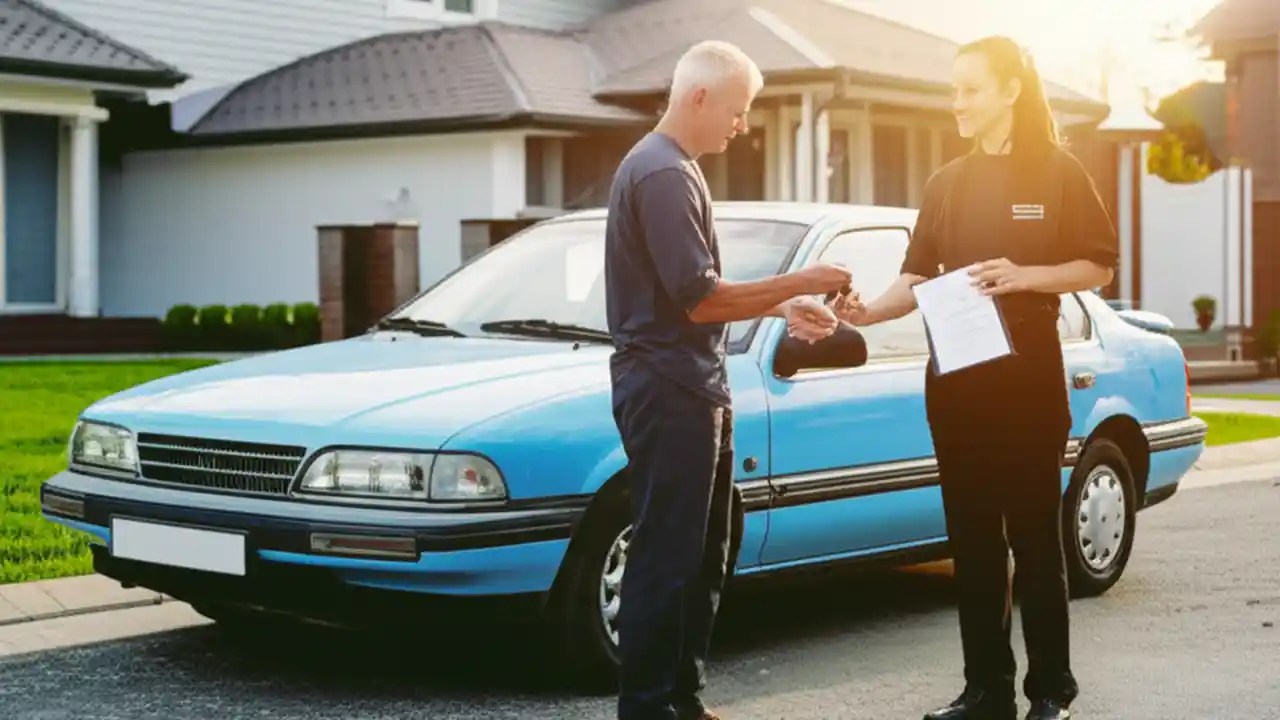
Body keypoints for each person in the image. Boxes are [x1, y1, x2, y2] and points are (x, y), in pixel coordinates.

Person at [834, 36, 1118, 720]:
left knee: (1034, 542)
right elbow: (915, 276)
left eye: (970, 89)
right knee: (974, 545)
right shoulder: (946, 182)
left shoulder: (1057, 171)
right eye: (953, 89)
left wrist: (1027, 276)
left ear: (1010, 91)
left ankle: (1050, 692)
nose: (956, 102)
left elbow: (1098, 265)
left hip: (1028, 385)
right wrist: (867, 310)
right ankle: (985, 690)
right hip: (956, 386)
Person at [604, 40, 854, 720]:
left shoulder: (675, 168)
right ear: (699, 97)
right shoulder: (659, 173)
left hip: (696, 384)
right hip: (667, 387)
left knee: (708, 549)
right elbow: (700, 300)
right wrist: (803, 279)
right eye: (738, 112)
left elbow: (697, 293)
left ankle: (683, 701)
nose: (741, 126)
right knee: (666, 554)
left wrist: (781, 304)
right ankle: (650, 707)